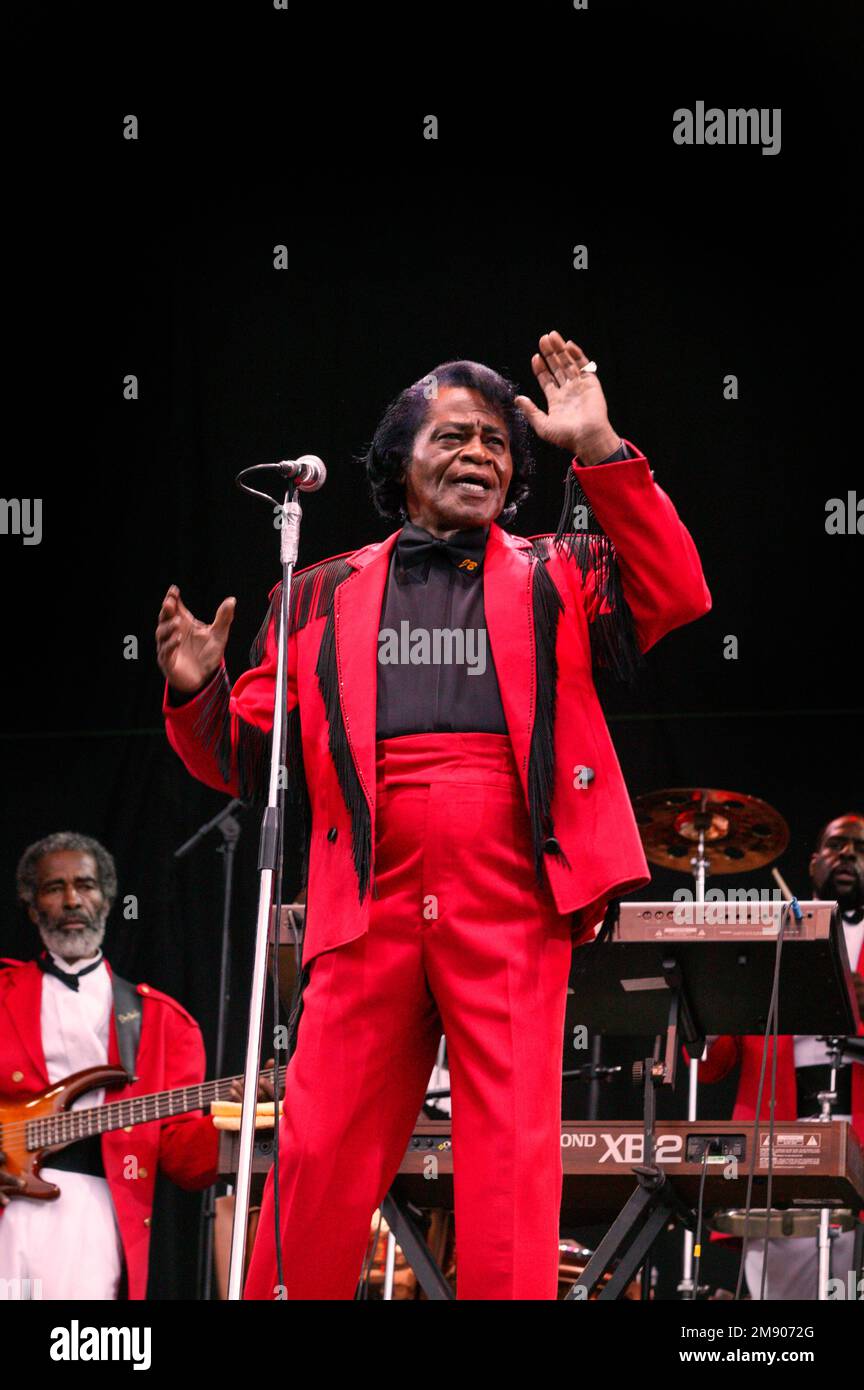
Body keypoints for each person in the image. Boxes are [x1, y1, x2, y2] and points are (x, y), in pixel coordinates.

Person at [157, 330, 711, 1299]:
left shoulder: (556, 570)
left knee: (511, 1164)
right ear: (398, 464)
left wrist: (601, 448)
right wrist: (201, 692)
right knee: (319, 1154)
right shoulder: (318, 588)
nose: (481, 456)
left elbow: (676, 590)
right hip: (363, 890)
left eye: (499, 444)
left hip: (511, 889)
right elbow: (249, 758)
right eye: (454, 437)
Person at [0, 832, 220, 1299]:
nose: (72, 899)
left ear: (106, 899)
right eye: (54, 888)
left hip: (91, 1210)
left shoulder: (165, 1021)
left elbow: (185, 1159)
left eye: (85, 885)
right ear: (32, 904)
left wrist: (232, 1123)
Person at [694, 813, 864, 1299]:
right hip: (777, 1140)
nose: (848, 854)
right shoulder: (767, 937)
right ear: (813, 864)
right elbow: (714, 1064)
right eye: (836, 846)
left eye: (859, 847)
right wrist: (703, 1000)